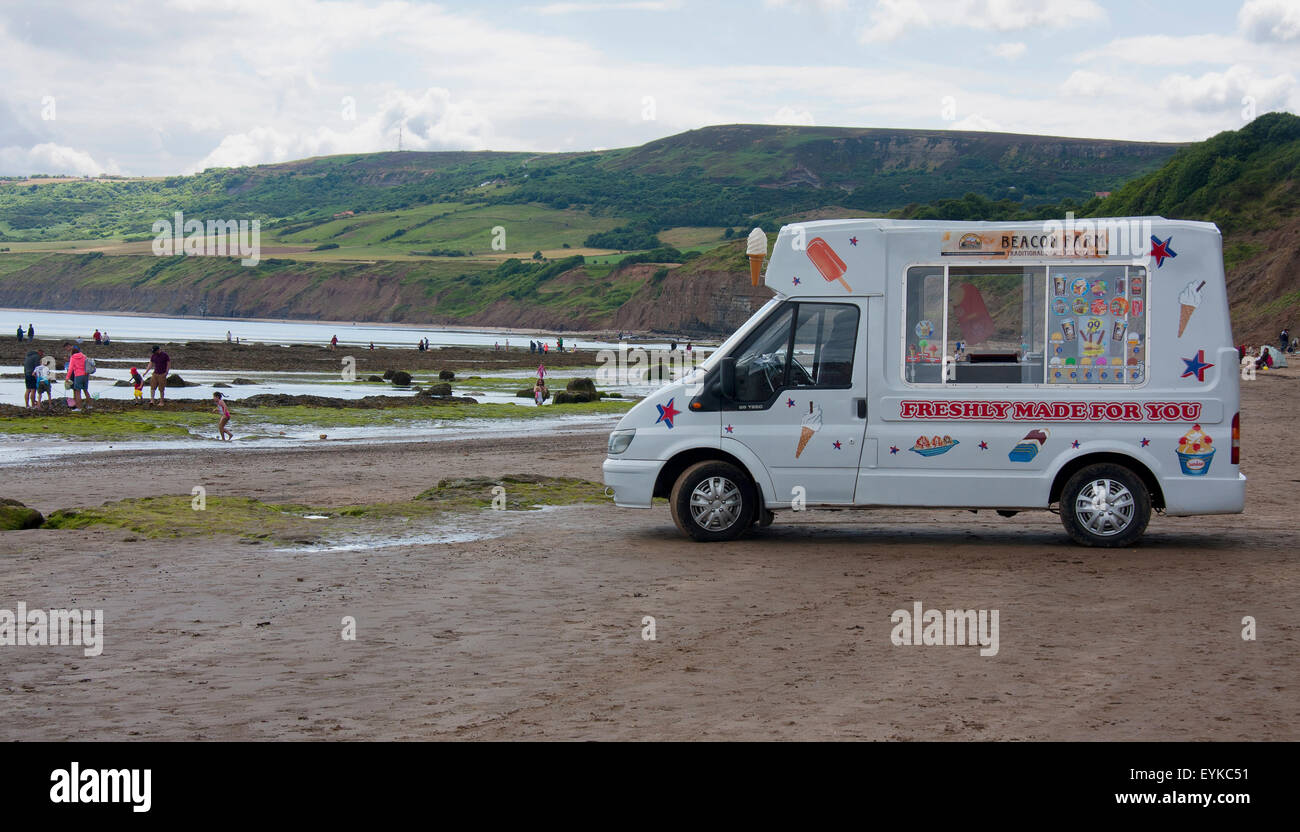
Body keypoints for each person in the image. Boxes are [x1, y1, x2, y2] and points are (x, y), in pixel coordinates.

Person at [64, 344, 89, 410]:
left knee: (78, 392)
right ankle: (89, 406)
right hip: (86, 375)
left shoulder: (73, 357)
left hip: (78, 375)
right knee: (85, 390)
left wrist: (67, 378)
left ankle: (79, 408)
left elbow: (70, 368)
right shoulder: (84, 356)